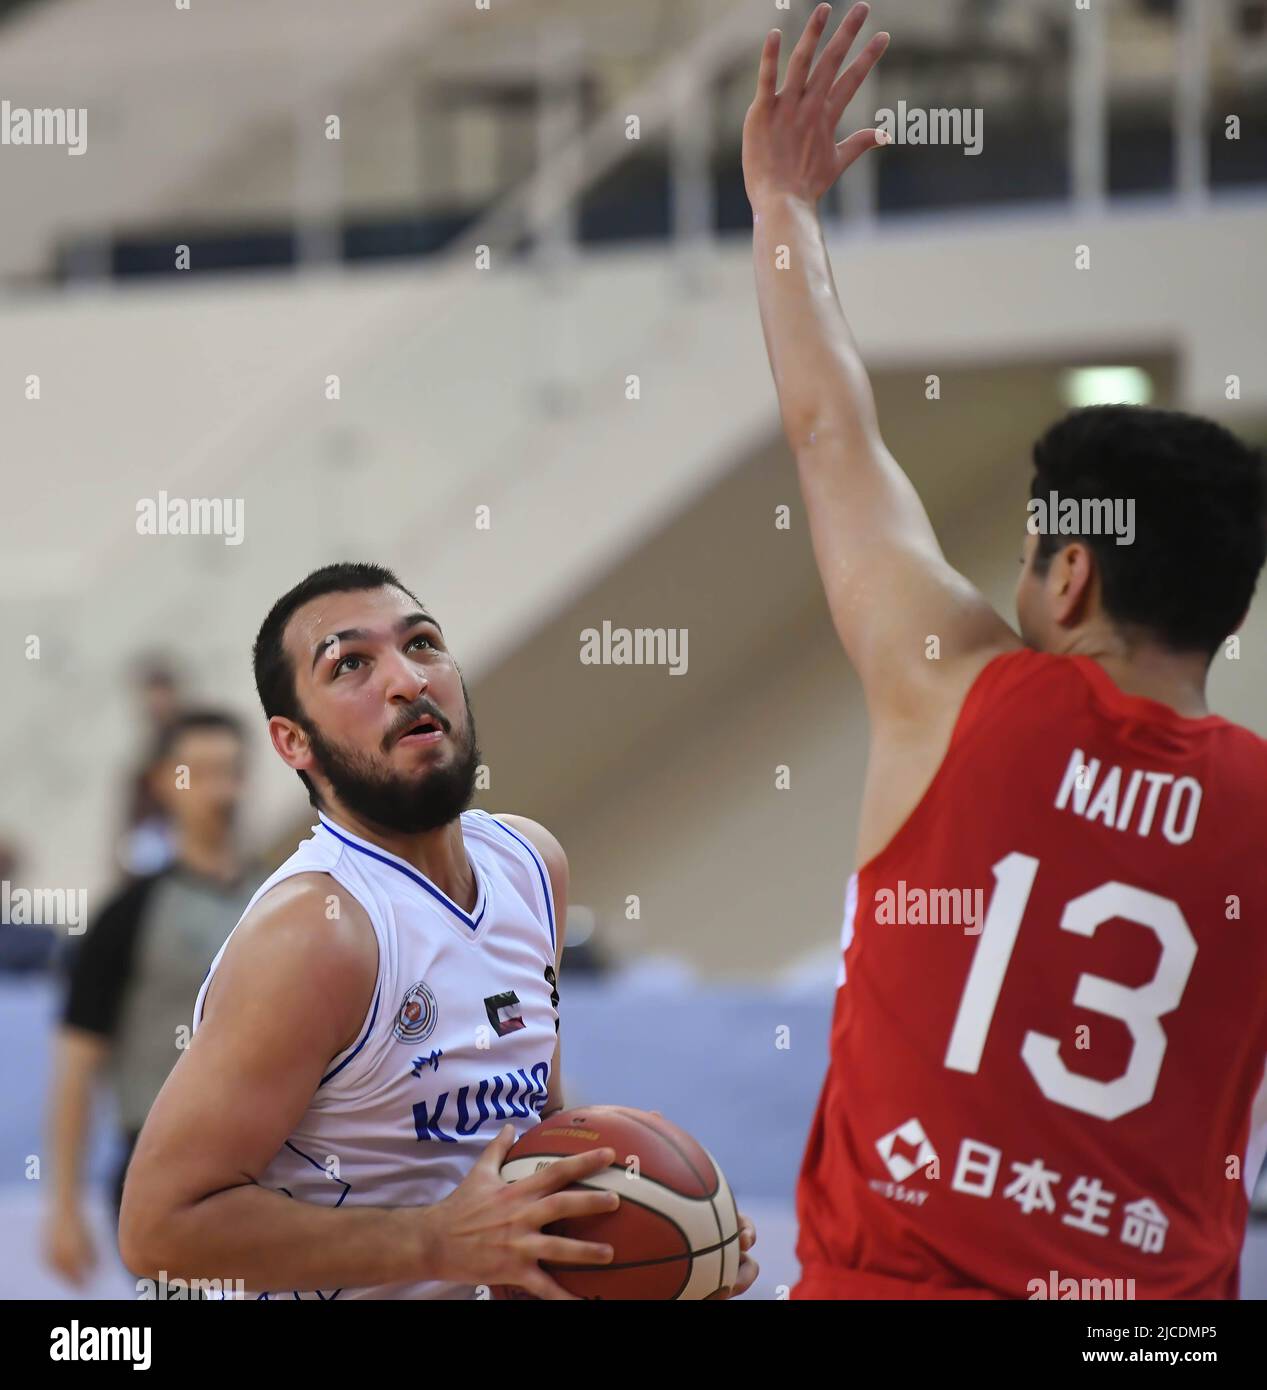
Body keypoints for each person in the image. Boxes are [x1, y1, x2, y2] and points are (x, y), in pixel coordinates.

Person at [742, 2, 1267, 1298]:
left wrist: (781, 210)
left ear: (1071, 571)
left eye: (1031, 553)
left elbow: (828, 434)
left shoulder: (951, 687)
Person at [118, 563, 757, 1300]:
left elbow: (530, 1124)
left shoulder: (529, 864)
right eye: (350, 663)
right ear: (294, 742)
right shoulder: (318, 933)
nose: (406, 679)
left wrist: (664, 1223)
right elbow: (159, 1230)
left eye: (422, 644)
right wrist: (433, 1241)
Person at [45, 710, 257, 1287]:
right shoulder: (126, 916)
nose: (220, 788)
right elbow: (75, 1068)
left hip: (277, 1175)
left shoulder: (286, 897)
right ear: (165, 781)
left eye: (231, 771)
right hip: (164, 1179)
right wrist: (63, 1207)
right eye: (201, 772)